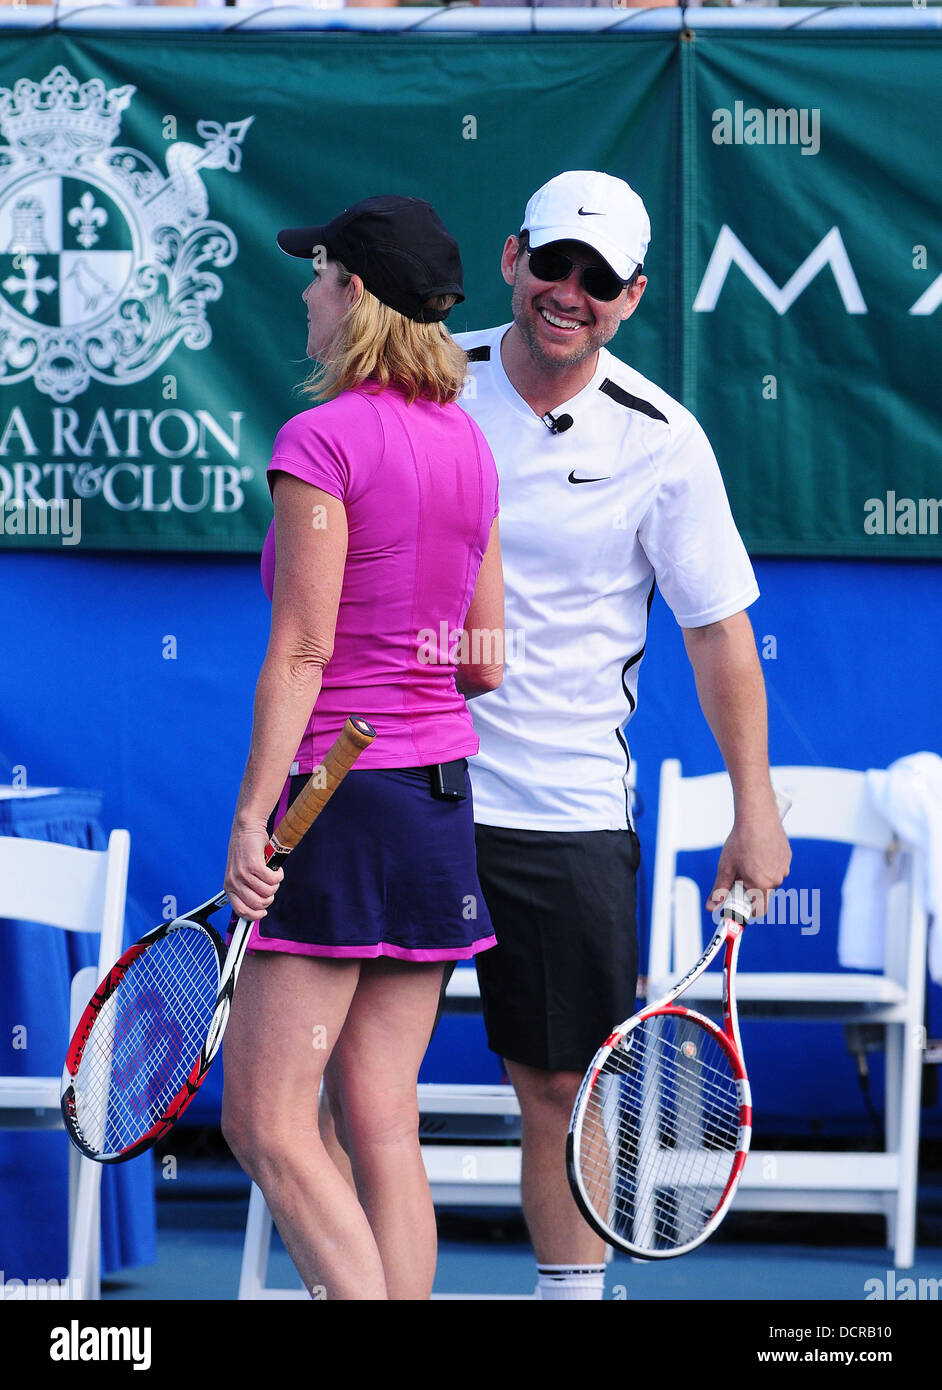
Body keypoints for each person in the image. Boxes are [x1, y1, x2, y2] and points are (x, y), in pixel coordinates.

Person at [454, 169, 791, 1300]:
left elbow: (718, 637)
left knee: (559, 1087)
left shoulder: (666, 438)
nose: (570, 292)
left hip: (563, 809)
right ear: (512, 258)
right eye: (554, 264)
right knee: (350, 1079)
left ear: (633, 296)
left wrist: (758, 807)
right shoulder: (421, 387)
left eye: (600, 279)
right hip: (405, 787)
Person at [221, 194, 503, 1301]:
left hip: (340, 806)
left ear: (357, 297)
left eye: (319, 271)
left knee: (266, 1119)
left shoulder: (321, 437)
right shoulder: (472, 447)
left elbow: (302, 653)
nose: (305, 290)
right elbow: (484, 657)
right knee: (379, 1120)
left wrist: (254, 817)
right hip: (437, 805)